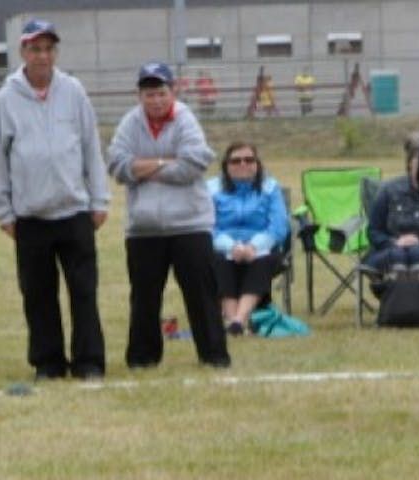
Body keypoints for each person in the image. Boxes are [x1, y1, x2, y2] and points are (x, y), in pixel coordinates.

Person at [0, 19, 110, 380]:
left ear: (55, 53)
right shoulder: (6, 98)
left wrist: (99, 200)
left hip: (74, 210)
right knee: (38, 296)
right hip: (30, 215)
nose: (42, 56)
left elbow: (91, 148)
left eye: (48, 49)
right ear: (23, 52)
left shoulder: (74, 91)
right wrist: (3, 210)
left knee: (84, 292)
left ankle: (89, 362)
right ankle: (48, 363)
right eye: (35, 49)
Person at [107, 61, 230, 368]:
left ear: (172, 91)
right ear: (139, 96)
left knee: (201, 295)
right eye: (149, 94)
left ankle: (214, 356)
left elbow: (192, 166)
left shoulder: (187, 119)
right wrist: (165, 161)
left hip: (190, 224)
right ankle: (142, 359)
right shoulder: (129, 124)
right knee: (144, 299)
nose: (156, 100)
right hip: (143, 228)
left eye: (161, 92)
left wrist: (145, 166)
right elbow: (118, 167)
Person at [207, 141, 290, 335]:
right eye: (236, 161)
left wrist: (254, 246)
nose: (243, 164)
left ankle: (238, 320)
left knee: (262, 261)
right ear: (226, 165)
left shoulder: (270, 187)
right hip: (222, 247)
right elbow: (207, 226)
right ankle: (234, 320)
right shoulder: (210, 188)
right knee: (219, 260)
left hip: (263, 249)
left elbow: (279, 226)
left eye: (249, 160)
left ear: (257, 164)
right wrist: (230, 246)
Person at [365, 131, 419, 279]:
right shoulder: (389, 190)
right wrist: (395, 242)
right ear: (409, 162)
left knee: (417, 253)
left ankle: (408, 298)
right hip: (388, 252)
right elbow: (374, 231)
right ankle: (403, 297)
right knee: (397, 256)